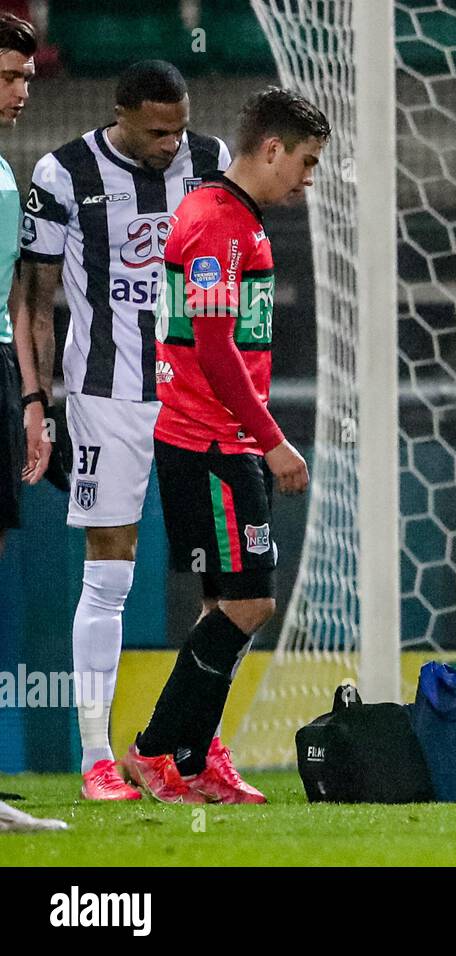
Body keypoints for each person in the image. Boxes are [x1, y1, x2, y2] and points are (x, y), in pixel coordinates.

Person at [13, 60, 232, 801]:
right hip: (108, 395)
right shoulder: (63, 171)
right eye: (156, 131)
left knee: (222, 579)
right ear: (122, 113)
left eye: (179, 128)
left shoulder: (212, 162)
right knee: (110, 571)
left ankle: (195, 754)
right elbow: (35, 300)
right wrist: (35, 400)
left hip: (197, 395)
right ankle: (96, 756)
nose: (173, 144)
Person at [118, 87, 328, 804]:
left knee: (225, 608)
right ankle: (156, 752)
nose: (307, 178)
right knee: (249, 605)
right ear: (271, 148)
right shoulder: (216, 225)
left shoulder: (236, 219)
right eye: (304, 161)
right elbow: (212, 347)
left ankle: (193, 755)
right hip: (212, 442)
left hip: (220, 438)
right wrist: (271, 441)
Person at [0, 12, 35, 557]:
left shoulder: (6, 171)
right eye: (9, 76)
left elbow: (15, 294)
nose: (21, 91)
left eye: (27, 78)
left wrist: (31, 397)